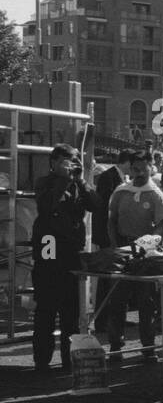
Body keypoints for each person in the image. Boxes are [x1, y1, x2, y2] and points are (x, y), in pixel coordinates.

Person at [31, 144, 99, 372]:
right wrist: (63, 179)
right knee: (46, 309)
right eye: (66, 161)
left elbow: (96, 205)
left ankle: (68, 361)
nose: (71, 166)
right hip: (48, 254)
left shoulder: (78, 183)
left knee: (70, 311)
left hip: (70, 253)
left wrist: (80, 181)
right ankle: (42, 360)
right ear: (53, 162)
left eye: (74, 161)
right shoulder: (44, 183)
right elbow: (47, 205)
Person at [105, 150, 163, 358]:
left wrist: (146, 246)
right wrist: (117, 247)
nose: (140, 172)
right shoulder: (121, 191)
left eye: (144, 168)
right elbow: (111, 221)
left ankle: (148, 348)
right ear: (130, 169)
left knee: (147, 303)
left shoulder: (157, 195)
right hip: (123, 252)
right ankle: (115, 345)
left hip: (146, 255)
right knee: (117, 301)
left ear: (152, 168)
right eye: (136, 168)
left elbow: (161, 226)